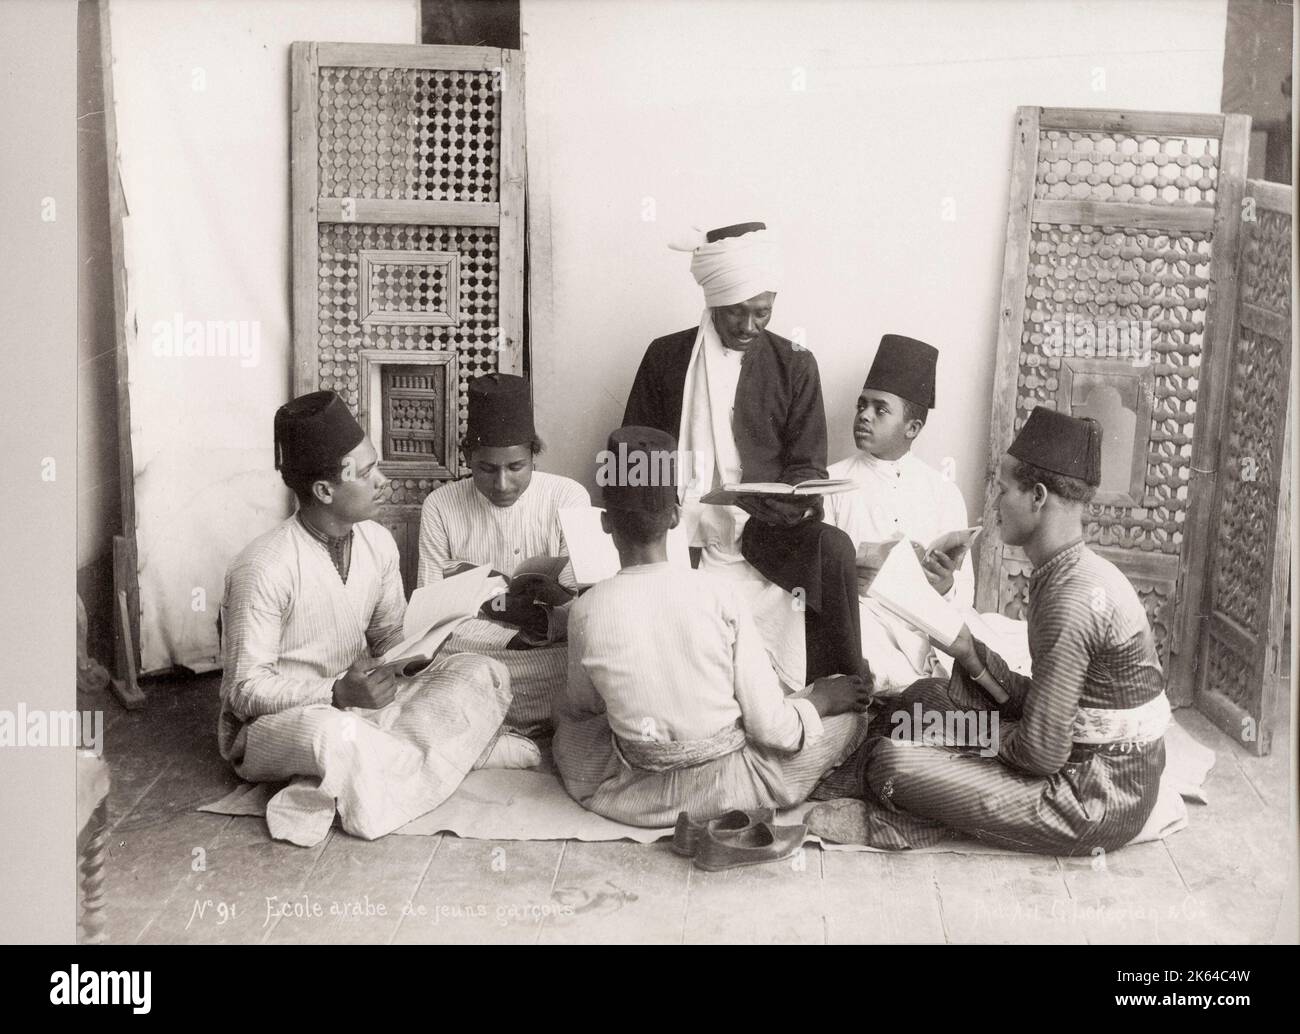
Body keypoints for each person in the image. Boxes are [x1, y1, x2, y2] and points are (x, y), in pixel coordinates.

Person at [810, 407, 1170, 854]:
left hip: (1092, 796)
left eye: (1003, 490)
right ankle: (935, 794)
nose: (996, 504)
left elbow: (1040, 753)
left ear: (1038, 497)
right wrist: (969, 653)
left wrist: (959, 739)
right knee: (921, 699)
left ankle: (906, 821)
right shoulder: (1068, 571)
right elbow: (1045, 705)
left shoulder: (1073, 597)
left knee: (893, 763)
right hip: (1070, 754)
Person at [218, 390, 530, 848]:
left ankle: (379, 769)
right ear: (325, 491)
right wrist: (334, 693)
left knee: (482, 672)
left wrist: (429, 638)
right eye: (366, 473)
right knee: (330, 733)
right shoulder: (263, 566)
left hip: (364, 702)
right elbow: (243, 692)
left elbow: (388, 639)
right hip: (285, 723)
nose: (382, 480)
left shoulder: (377, 542)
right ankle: (453, 756)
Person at [552, 426, 873, 828]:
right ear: (674, 516)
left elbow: (585, 707)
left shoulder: (586, 609)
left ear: (604, 522)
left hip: (637, 789)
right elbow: (775, 731)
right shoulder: (720, 595)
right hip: (731, 785)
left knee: (570, 727)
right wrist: (822, 700)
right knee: (848, 717)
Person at [622, 221, 862, 685]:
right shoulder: (665, 358)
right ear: (712, 301)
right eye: (736, 312)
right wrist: (665, 506)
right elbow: (634, 450)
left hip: (765, 535)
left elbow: (807, 466)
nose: (749, 326)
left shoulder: (795, 363)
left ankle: (843, 693)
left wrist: (774, 501)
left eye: (763, 312)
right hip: (679, 531)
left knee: (833, 548)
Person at [825, 334, 1030, 693]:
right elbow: (821, 572)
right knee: (862, 655)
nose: (864, 415)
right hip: (865, 620)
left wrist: (945, 583)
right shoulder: (831, 482)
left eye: (880, 409)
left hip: (929, 621)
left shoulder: (942, 491)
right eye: (862, 405)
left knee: (1005, 647)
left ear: (913, 428)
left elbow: (962, 592)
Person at [417, 373, 590, 735]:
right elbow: (430, 618)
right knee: (443, 666)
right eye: (486, 469)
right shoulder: (440, 505)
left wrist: (544, 624)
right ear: (467, 458)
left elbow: (583, 607)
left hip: (547, 653)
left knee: (586, 663)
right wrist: (504, 637)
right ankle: (525, 725)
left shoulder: (568, 497)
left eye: (516, 467)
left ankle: (485, 726)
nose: (502, 484)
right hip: (474, 651)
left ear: (534, 457)